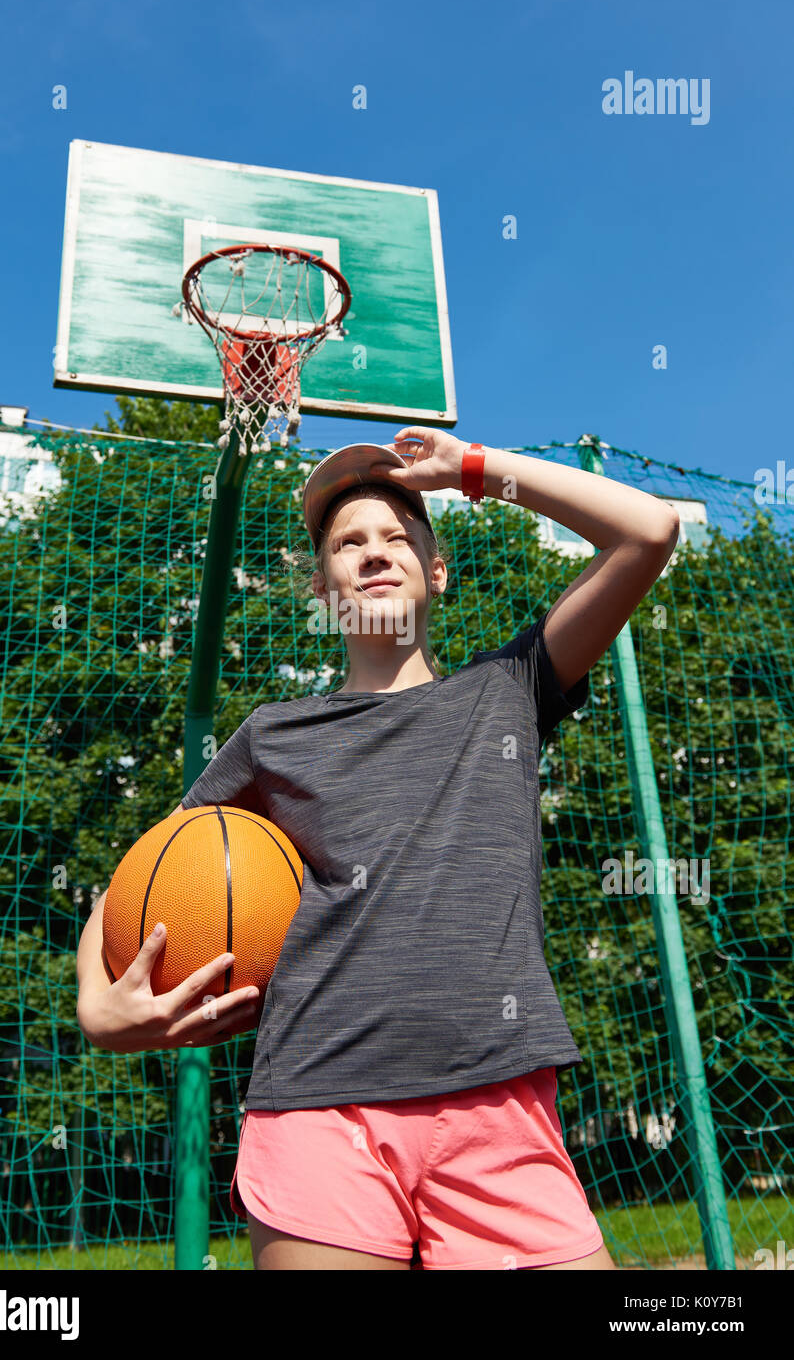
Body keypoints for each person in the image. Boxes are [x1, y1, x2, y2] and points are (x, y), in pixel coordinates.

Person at [77, 428, 679, 1270]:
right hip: (321, 1106)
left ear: (436, 572)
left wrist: (473, 470)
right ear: (322, 588)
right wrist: (96, 1002)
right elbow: (136, 880)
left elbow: (647, 532)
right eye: (348, 544)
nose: (374, 553)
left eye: (399, 537)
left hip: (497, 1108)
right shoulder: (274, 737)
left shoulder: (509, 691)